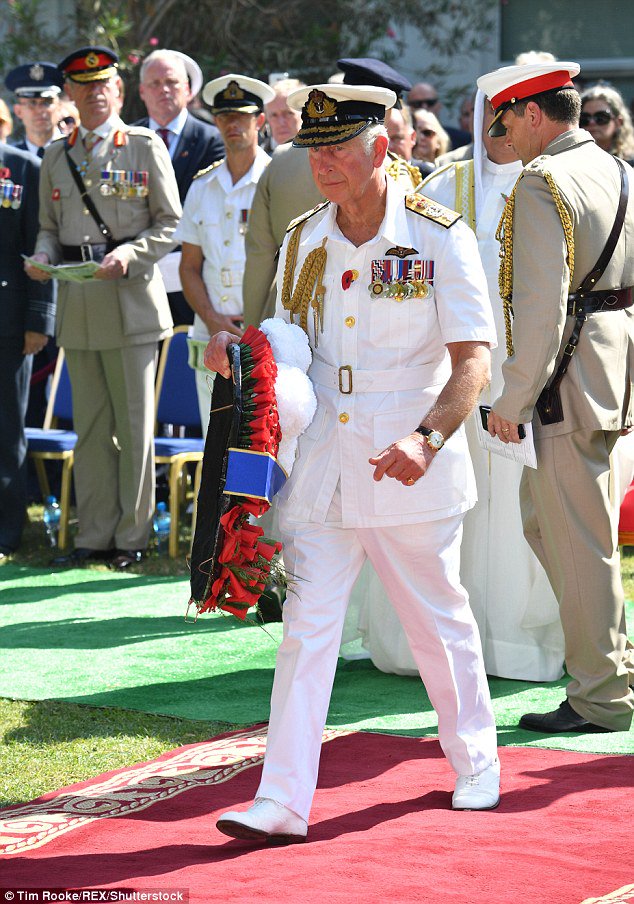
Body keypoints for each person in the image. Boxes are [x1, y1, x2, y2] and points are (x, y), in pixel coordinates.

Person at [207, 82, 500, 844]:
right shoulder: (306, 238)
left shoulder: (438, 235)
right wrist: (249, 367)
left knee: (438, 621)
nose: (324, 165)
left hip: (409, 457)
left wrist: (428, 436)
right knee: (307, 629)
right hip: (326, 462)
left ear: (381, 146)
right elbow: (287, 347)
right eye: (314, 150)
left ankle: (474, 764)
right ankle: (283, 798)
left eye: (338, 148)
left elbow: (473, 359)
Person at [372, 90, 564, 681]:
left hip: (529, 379)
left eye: (507, 113)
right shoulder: (441, 188)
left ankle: (514, 645)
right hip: (450, 383)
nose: (496, 126)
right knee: (447, 507)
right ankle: (428, 646)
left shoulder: (556, 184)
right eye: (489, 112)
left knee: (513, 511)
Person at [478, 60, 634, 732]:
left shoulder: (543, 181)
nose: (503, 133)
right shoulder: (616, 168)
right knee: (558, 528)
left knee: (576, 539)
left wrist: (512, 400)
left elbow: (540, 309)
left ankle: (602, 694)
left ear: (535, 113)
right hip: (605, 365)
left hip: (564, 381)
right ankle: (611, 664)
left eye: (508, 119)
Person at [25, 45, 181, 569]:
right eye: (83, 86)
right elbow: (49, 226)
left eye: (103, 85)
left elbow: (170, 222)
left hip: (130, 299)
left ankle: (133, 536)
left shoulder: (141, 145)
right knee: (89, 425)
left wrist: (131, 255)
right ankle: (94, 534)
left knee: (135, 425)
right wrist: (43, 255)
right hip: (78, 299)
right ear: (69, 92)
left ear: (116, 89)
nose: (94, 94)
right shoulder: (56, 154)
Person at [175, 73, 274, 432]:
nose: (233, 125)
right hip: (210, 334)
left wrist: (255, 321)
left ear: (259, 121)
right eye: (225, 117)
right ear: (215, 121)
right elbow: (189, 267)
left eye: (242, 116)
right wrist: (214, 318)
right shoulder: (202, 186)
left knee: (262, 441)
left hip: (264, 332)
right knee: (214, 442)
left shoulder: (274, 180)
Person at [136, 48, 224, 325]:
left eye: (172, 82)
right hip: (139, 276)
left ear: (187, 90)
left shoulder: (212, 140)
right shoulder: (127, 139)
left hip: (192, 276)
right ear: (141, 91)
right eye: (155, 84)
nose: (164, 90)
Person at [0, 144, 55, 558]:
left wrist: (39, 320)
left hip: (10, 322)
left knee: (6, 429)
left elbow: (42, 242)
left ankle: (6, 529)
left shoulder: (22, 167)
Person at [5, 62, 64, 157]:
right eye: (32, 103)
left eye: (47, 102)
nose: (40, 110)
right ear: (18, 111)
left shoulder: (76, 152)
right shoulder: (9, 159)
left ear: (59, 107)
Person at [407, 81, 471, 150]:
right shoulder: (402, 139)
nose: (424, 107)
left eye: (430, 103)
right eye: (417, 104)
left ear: (439, 105)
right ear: (408, 107)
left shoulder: (462, 140)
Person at [580, 84, 634, 165]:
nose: (592, 122)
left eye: (601, 117)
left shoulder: (630, 161)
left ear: (619, 122)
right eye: (585, 118)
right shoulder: (573, 159)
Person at [261, 78, 304, 152]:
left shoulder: (323, 157)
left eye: (288, 113)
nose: (281, 122)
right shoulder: (261, 159)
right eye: (274, 115)